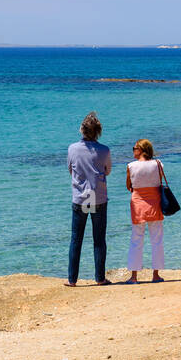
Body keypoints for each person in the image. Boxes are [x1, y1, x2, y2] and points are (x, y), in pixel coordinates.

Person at [66, 111, 112, 286]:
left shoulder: (72, 148)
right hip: (97, 196)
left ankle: (72, 280)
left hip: (80, 197)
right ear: (98, 132)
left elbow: (70, 169)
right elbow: (107, 170)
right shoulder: (104, 150)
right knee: (99, 239)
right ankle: (100, 278)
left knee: (76, 239)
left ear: (82, 130)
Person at [124, 138, 166, 283]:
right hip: (155, 204)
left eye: (134, 148)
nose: (133, 151)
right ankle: (156, 275)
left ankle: (134, 277)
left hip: (137, 206)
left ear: (141, 149)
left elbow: (129, 186)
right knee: (157, 240)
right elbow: (159, 182)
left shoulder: (130, 166)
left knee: (136, 240)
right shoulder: (158, 164)